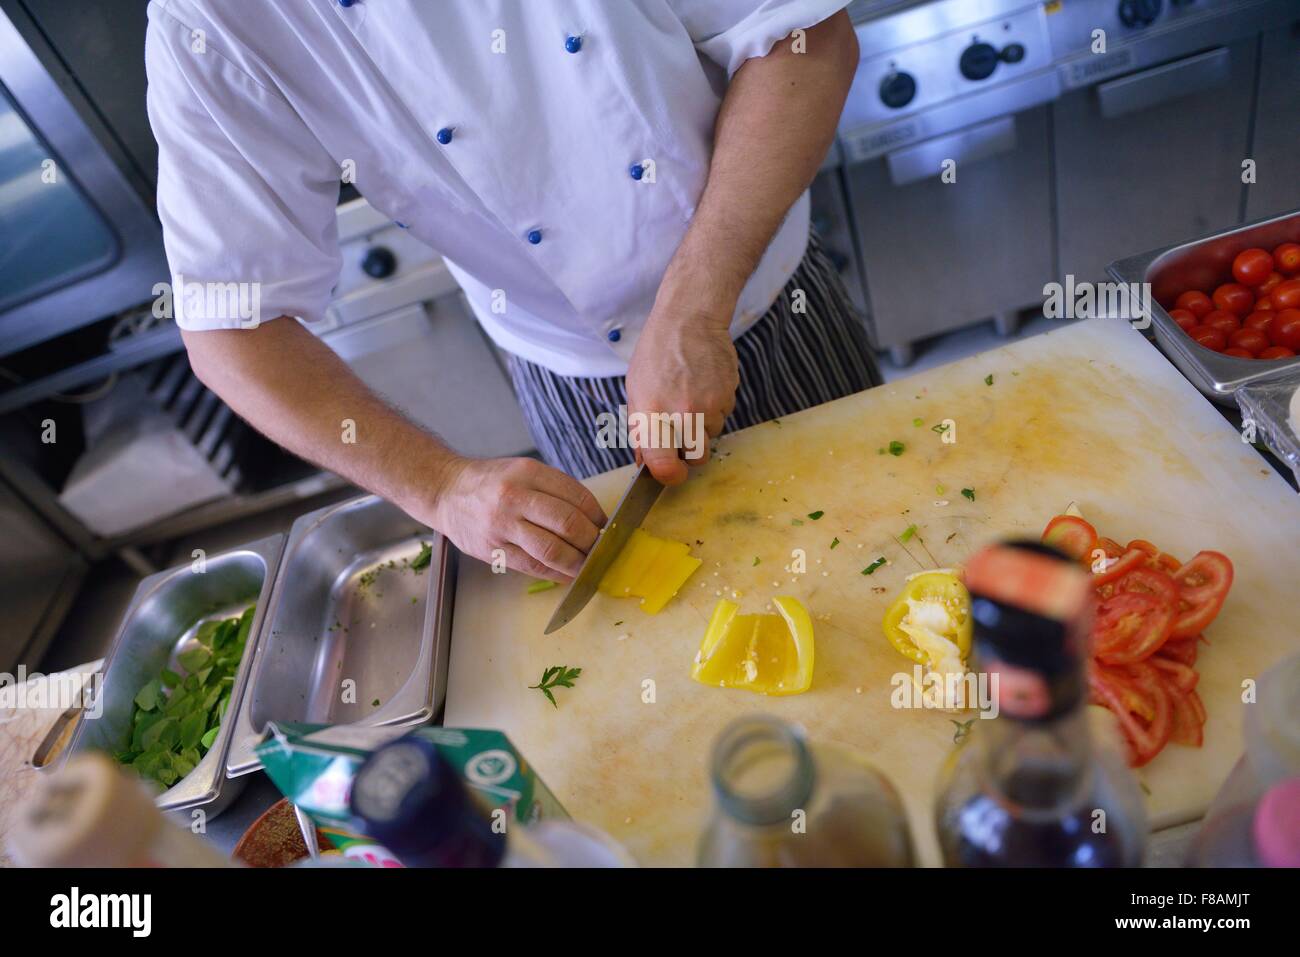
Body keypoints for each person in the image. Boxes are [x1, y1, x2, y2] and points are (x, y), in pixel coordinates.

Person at [145, 0, 878, 583]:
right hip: (568, 372)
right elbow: (229, 326)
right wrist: (439, 489)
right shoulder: (207, 22)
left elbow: (806, 38)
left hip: (766, 297)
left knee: (883, 550)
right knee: (683, 622)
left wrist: (693, 308)